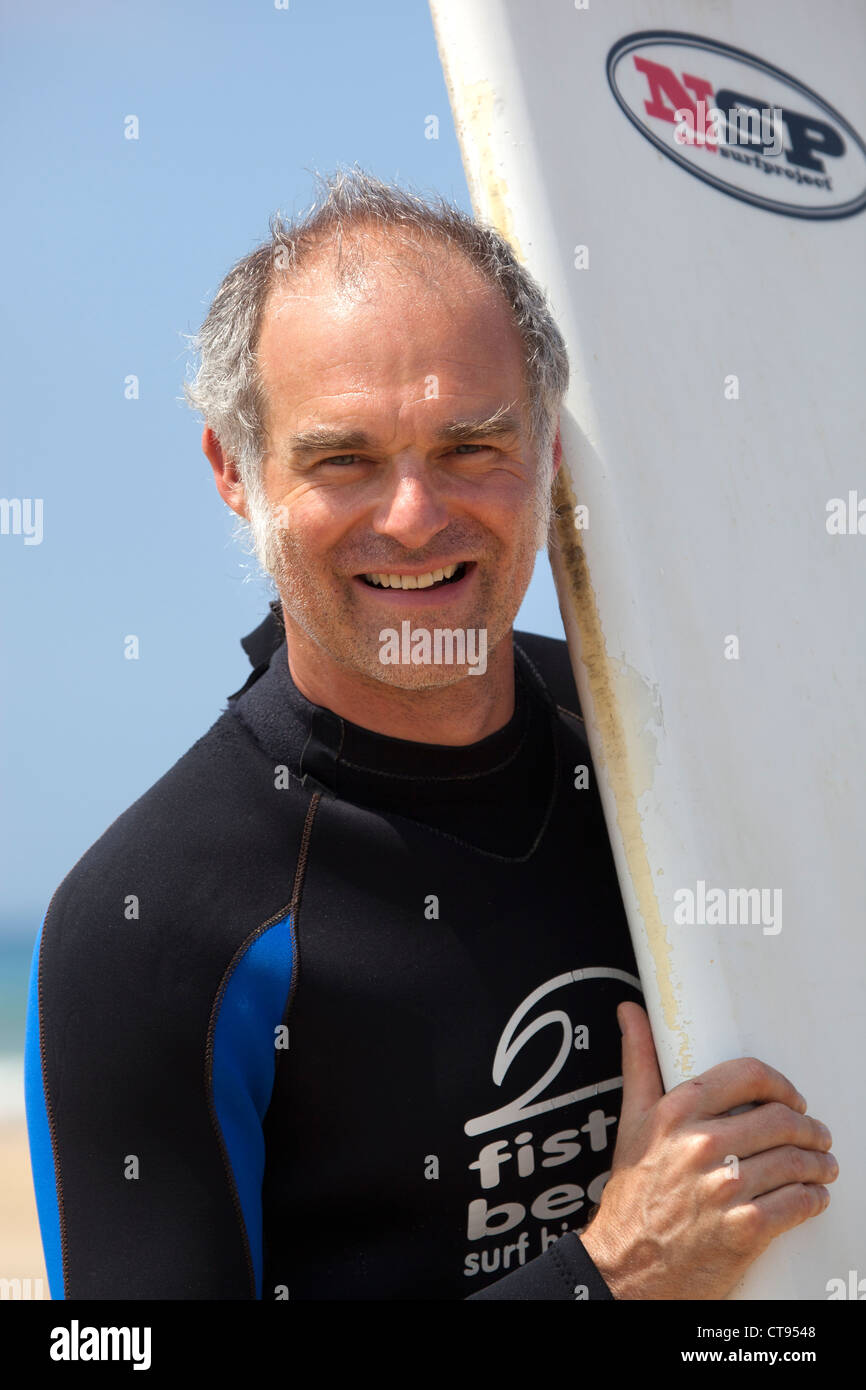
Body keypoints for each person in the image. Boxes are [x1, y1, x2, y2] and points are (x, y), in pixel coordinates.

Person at [24, 168, 837, 1301]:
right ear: (235, 474)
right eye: (341, 458)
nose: (413, 516)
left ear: (548, 451)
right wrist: (608, 1275)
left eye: (469, 446)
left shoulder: (670, 755)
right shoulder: (151, 927)